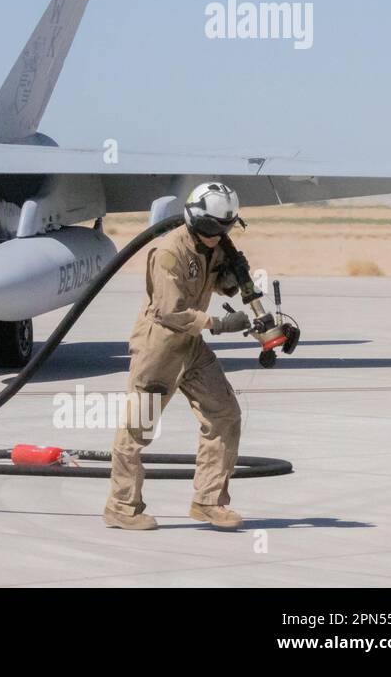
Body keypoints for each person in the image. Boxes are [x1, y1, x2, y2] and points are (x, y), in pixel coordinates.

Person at [103, 182, 252, 531]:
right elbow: (170, 311)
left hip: (192, 348)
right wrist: (218, 323)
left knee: (225, 414)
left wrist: (235, 273)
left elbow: (219, 284)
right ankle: (121, 506)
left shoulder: (213, 245)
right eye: (215, 228)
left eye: (224, 229)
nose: (219, 236)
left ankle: (208, 501)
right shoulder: (170, 252)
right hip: (160, 349)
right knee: (137, 431)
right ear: (198, 221)